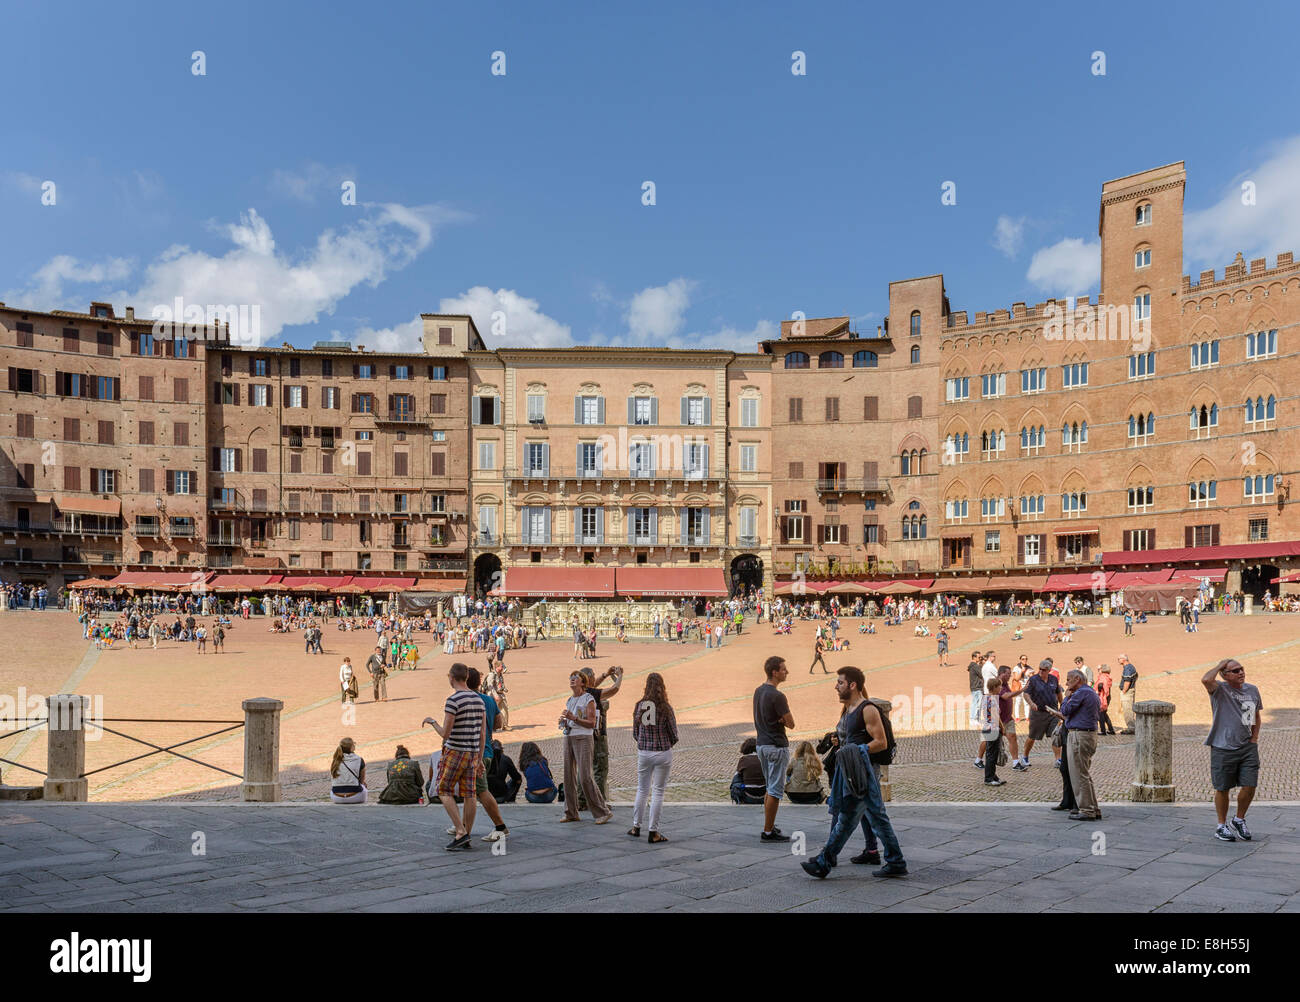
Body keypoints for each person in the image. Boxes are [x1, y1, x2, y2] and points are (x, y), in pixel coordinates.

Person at [800, 666, 908, 879]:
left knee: (860, 818)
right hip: (851, 772)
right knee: (858, 818)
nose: (836, 686)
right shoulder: (849, 710)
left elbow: (881, 742)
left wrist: (857, 749)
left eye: (840, 683)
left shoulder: (867, 709)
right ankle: (894, 860)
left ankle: (826, 861)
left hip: (862, 773)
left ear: (853, 685)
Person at [422, 662, 486, 851]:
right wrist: (480, 758)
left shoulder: (453, 701)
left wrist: (432, 721)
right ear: (466, 677)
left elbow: (445, 733)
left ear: (451, 677)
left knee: (443, 789)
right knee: (470, 793)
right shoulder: (478, 699)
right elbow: (482, 734)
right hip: (473, 752)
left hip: (456, 751)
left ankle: (460, 831)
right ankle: (467, 831)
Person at [1202, 658, 1262, 842]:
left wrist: (1254, 739)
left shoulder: (1252, 690)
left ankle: (1239, 819)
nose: (1241, 672)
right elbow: (1206, 679)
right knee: (1223, 788)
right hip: (1222, 746)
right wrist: (1220, 665)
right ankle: (1221, 826)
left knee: (1250, 784)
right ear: (1225, 675)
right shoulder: (1220, 689)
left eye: (1242, 669)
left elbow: (1255, 716)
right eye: (1235, 671)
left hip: (1247, 746)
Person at [629, 672, 678, 843]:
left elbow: (635, 732)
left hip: (644, 751)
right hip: (662, 751)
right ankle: (653, 831)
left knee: (642, 790)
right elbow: (674, 734)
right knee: (658, 792)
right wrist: (667, 744)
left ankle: (636, 826)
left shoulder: (639, 706)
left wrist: (643, 742)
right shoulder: (665, 707)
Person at [560, 670, 614, 823]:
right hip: (569, 736)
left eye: (575, 678)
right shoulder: (570, 700)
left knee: (585, 776)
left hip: (584, 737)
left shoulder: (588, 699)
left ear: (582, 682)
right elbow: (571, 719)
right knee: (568, 776)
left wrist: (574, 718)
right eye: (570, 678)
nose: (572, 680)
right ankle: (571, 812)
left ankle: (602, 811)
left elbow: (591, 723)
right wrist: (565, 721)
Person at [1048, 669, 1102, 820]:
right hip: (1086, 734)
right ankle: (1093, 808)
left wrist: (1066, 697)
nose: (1066, 683)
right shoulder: (1089, 692)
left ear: (1077, 679)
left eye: (1069, 679)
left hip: (1080, 735)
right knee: (1084, 774)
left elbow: (1065, 710)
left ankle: (1087, 810)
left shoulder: (1080, 693)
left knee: (1079, 774)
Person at [753, 656, 794, 841]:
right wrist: (782, 720)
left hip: (761, 744)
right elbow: (791, 723)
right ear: (774, 672)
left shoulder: (758, 691)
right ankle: (768, 831)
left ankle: (769, 825)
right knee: (775, 791)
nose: (787, 672)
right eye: (784, 669)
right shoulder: (778, 696)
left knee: (769, 788)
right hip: (776, 746)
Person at [579, 665, 623, 803]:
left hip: (583, 735)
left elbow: (593, 686)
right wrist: (620, 676)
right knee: (600, 769)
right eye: (593, 675)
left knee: (583, 769)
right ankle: (600, 803)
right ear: (589, 677)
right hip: (597, 735)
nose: (595, 677)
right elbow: (613, 690)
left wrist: (605, 675)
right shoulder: (592, 694)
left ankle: (581, 800)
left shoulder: (580, 691)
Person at [1018, 659, 1061, 769]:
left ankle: (1058, 759)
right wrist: (1031, 703)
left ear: (1049, 670)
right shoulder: (1033, 680)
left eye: (1044, 670)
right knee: (1032, 736)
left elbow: (1059, 693)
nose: (1041, 671)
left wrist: (1062, 706)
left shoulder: (1054, 679)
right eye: (1040, 669)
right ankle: (1025, 756)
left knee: (1056, 735)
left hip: (1052, 712)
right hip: (1038, 713)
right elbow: (1026, 694)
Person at [979, 677, 1006, 786]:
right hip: (992, 729)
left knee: (993, 753)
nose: (1000, 688)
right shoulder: (992, 699)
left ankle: (993, 775)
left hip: (988, 727)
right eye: (999, 686)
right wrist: (1002, 727)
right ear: (994, 687)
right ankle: (989, 778)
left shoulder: (987, 698)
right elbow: (995, 715)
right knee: (991, 754)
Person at [328, 737, 367, 804]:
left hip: (336, 797)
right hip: (355, 797)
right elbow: (362, 781)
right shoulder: (359, 760)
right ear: (352, 747)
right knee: (364, 787)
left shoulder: (335, 761)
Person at [730, 738, 767, 804]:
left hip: (748, 796)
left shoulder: (743, 759)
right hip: (764, 796)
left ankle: (737, 798)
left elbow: (738, 774)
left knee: (737, 775)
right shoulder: (764, 758)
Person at [1117, 655, 1138, 733]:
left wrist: (1124, 691)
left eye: (1119, 659)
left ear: (1124, 659)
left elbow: (1127, 681)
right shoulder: (1131, 667)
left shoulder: (1128, 668)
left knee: (1127, 711)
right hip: (1130, 690)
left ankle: (1131, 728)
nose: (1118, 660)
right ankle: (1132, 727)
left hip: (1127, 692)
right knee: (1129, 709)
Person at [966, 651, 984, 731]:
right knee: (976, 704)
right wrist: (982, 665)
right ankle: (973, 719)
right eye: (979, 657)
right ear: (974, 657)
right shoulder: (975, 666)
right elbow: (982, 674)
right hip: (977, 687)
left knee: (977, 703)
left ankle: (975, 719)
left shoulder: (972, 665)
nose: (980, 659)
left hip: (975, 687)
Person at [1096, 664, 1116, 735]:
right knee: (1104, 714)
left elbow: (1101, 685)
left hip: (1102, 697)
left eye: (1099, 669)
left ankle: (1103, 730)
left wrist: (1098, 690)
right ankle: (1111, 730)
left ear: (1102, 670)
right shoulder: (1108, 676)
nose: (1098, 671)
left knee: (1101, 713)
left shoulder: (1103, 677)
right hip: (1107, 697)